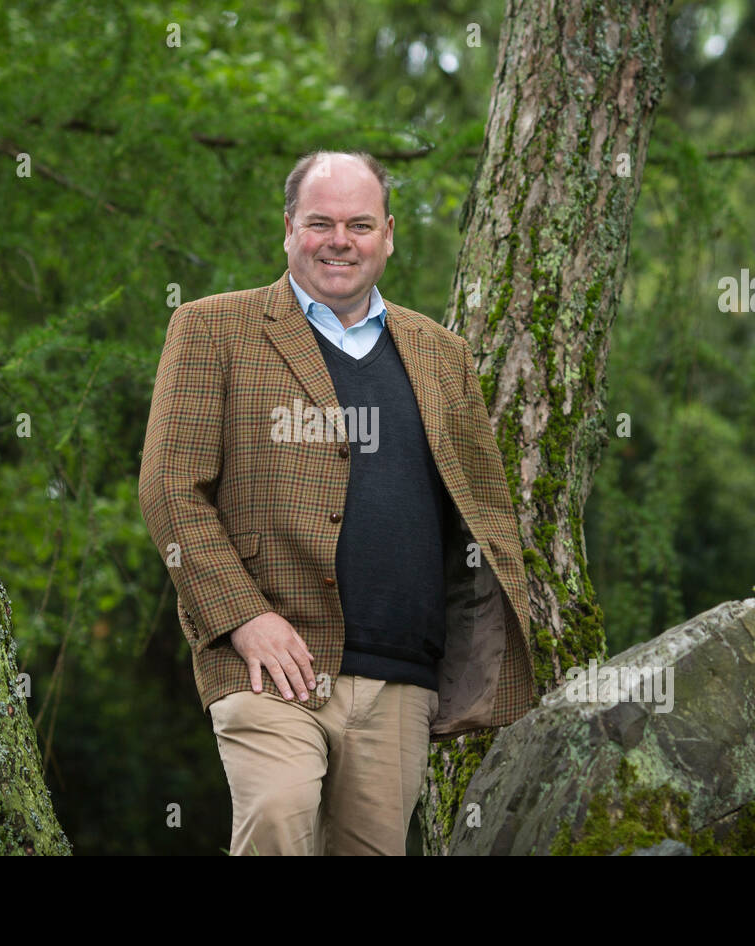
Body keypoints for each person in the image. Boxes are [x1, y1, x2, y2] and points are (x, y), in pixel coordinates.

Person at [139, 150, 535, 855]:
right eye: (320, 223)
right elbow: (170, 488)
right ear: (289, 229)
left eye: (359, 223)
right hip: (270, 662)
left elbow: (481, 514)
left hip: (403, 680)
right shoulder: (211, 329)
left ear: (388, 234)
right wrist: (243, 617)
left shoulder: (443, 355)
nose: (339, 240)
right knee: (277, 820)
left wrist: (469, 650)